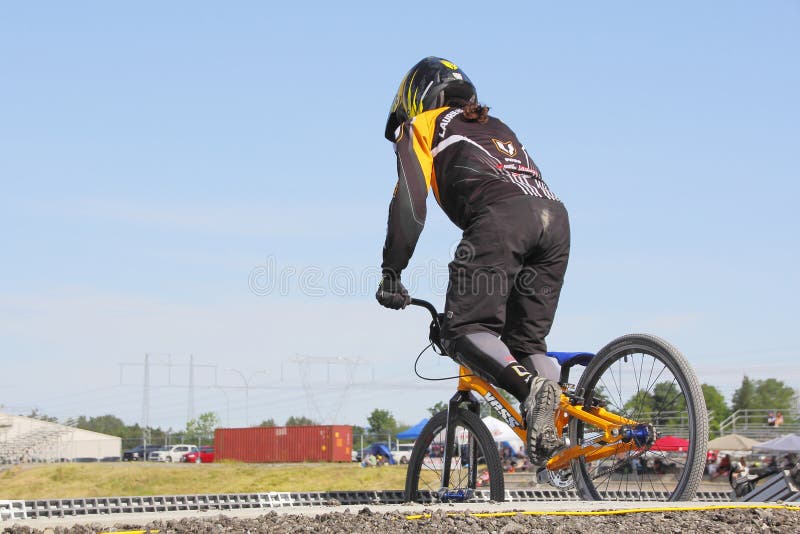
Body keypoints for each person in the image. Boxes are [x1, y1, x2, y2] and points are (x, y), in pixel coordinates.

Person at [376, 57, 570, 466]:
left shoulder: (422, 127)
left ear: (415, 97)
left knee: (464, 328)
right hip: (555, 221)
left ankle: (533, 391)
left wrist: (392, 273)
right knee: (527, 343)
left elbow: (410, 206)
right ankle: (552, 422)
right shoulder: (495, 126)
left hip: (503, 219)